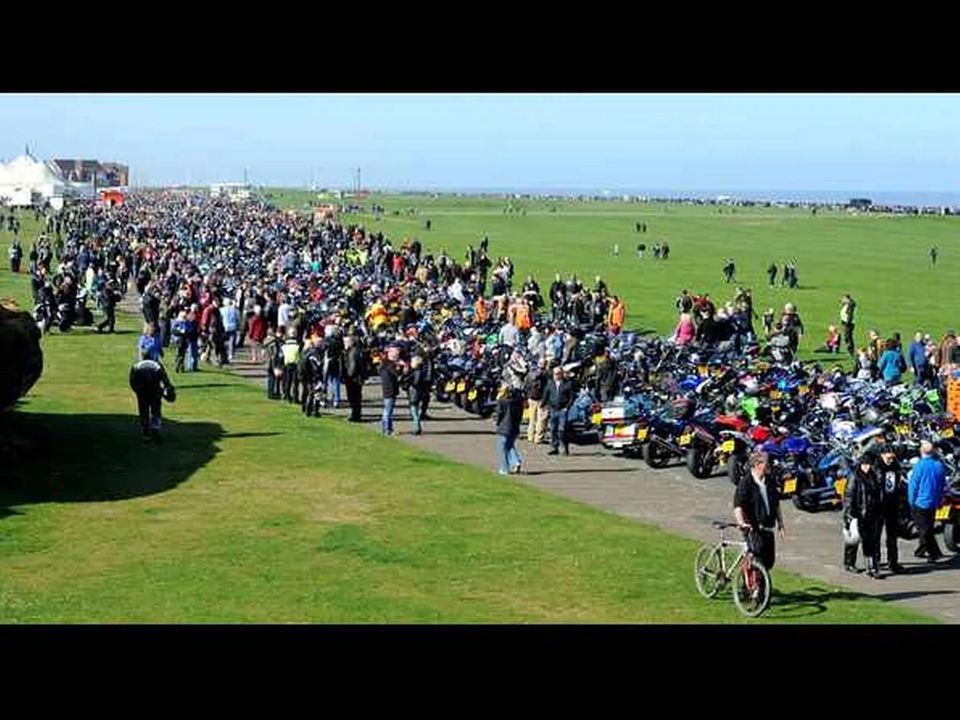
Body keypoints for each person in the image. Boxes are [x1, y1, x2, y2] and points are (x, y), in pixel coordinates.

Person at [733, 450, 786, 573]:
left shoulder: (770, 481)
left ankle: (760, 586)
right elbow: (738, 505)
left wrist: (781, 524)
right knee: (758, 558)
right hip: (753, 528)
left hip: (768, 527)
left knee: (769, 561)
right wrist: (742, 523)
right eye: (767, 464)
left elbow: (776, 504)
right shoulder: (746, 483)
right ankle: (753, 589)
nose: (769, 466)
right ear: (757, 465)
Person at [843, 451, 884, 577]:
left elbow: (877, 494)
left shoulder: (874, 476)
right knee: (853, 540)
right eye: (864, 464)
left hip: (872, 513)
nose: (867, 467)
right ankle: (849, 563)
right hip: (858, 514)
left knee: (870, 541)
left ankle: (871, 567)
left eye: (868, 464)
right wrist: (849, 514)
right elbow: (849, 496)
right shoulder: (854, 477)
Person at [907, 440, 947, 562]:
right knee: (927, 527)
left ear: (921, 451)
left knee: (925, 530)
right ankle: (921, 550)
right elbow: (943, 485)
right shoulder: (939, 465)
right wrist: (940, 500)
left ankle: (934, 553)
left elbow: (913, 486)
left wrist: (911, 501)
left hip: (920, 502)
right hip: (933, 502)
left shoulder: (919, 466)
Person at [129, 348, 174, 440]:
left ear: (141, 356)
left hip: (142, 392)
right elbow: (165, 379)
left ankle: (145, 432)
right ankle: (155, 429)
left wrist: (137, 390)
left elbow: (132, 381)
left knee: (144, 411)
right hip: (155, 391)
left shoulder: (136, 366)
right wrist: (167, 389)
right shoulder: (157, 365)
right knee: (156, 411)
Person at [877, 445, 906, 574]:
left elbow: (899, 486)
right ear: (882, 455)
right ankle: (875, 562)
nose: (891, 460)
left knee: (892, 537)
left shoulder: (896, 468)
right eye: (888, 458)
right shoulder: (876, 468)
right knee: (875, 536)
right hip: (879, 505)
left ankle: (893, 562)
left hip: (892, 505)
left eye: (892, 458)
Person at [542, 364, 574, 456]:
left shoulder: (568, 384)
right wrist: (543, 405)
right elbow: (546, 394)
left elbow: (571, 397)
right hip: (553, 409)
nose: (556, 375)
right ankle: (554, 447)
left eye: (559, 373)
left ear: (562, 374)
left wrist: (567, 407)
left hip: (562, 410)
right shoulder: (550, 383)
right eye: (555, 374)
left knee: (562, 430)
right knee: (553, 429)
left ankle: (564, 447)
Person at [494, 384, 524, 475]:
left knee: (503, 448)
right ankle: (516, 461)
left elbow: (499, 414)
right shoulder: (518, 402)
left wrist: (497, 423)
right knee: (509, 445)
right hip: (515, 427)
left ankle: (504, 468)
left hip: (504, 427)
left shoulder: (502, 401)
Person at [524, 357, 549, 445]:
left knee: (532, 419)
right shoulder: (546, 374)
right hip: (541, 398)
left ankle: (530, 436)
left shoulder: (530, 373)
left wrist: (527, 396)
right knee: (541, 419)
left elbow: (526, 385)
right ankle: (538, 438)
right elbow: (548, 387)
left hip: (531, 397)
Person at [342, 334, 366, 423]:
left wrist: (348, 376)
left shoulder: (353, 352)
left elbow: (353, 366)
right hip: (357, 378)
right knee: (357, 397)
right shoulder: (356, 350)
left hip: (354, 379)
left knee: (353, 397)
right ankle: (356, 414)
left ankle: (354, 415)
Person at [380, 346, 402, 437]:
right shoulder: (389, 364)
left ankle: (387, 429)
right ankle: (387, 430)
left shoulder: (385, 364)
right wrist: (400, 366)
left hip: (388, 389)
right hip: (390, 389)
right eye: (396, 354)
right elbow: (396, 374)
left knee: (387, 410)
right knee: (388, 411)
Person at [404, 355, 428, 435]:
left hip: (415, 393)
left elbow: (415, 382)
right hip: (420, 392)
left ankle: (417, 428)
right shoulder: (423, 371)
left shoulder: (416, 372)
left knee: (414, 411)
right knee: (416, 410)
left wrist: (408, 381)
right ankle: (417, 427)